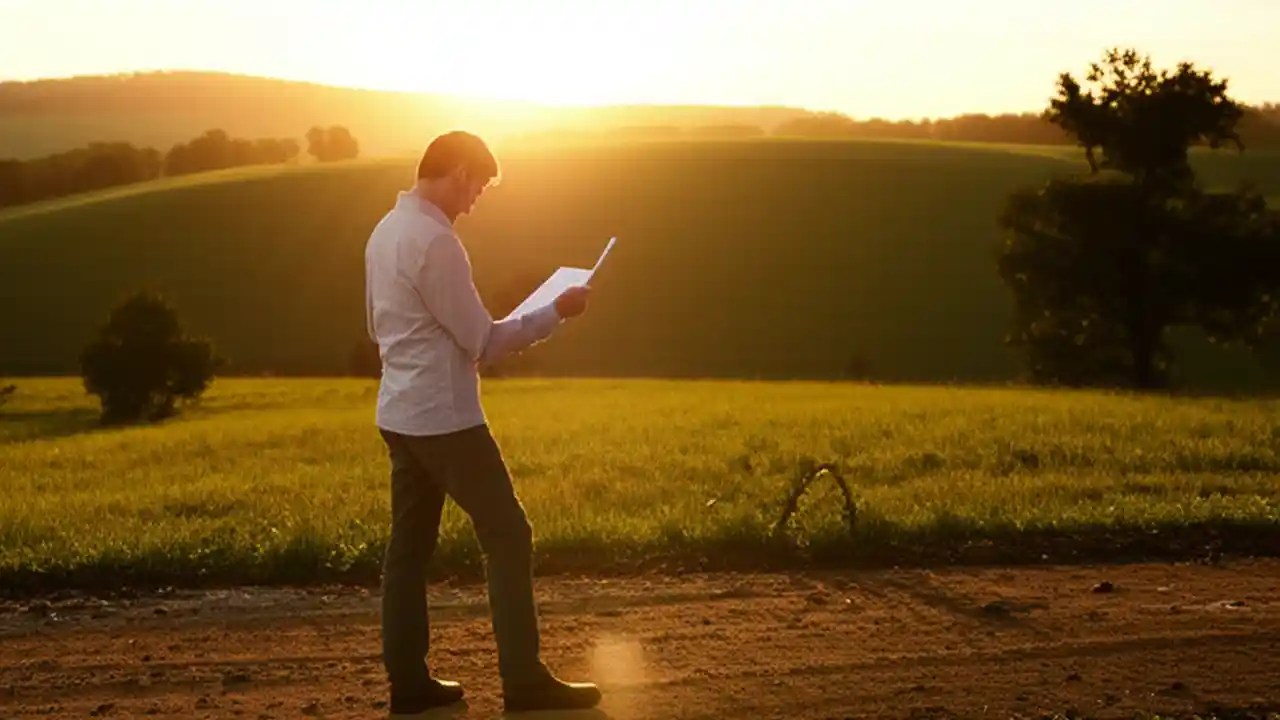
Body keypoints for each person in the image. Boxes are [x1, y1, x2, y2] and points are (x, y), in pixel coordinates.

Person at [364, 131, 600, 715]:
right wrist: (554, 313)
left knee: (408, 552)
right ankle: (523, 681)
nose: (475, 201)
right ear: (460, 170)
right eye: (479, 186)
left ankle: (409, 685)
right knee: (509, 535)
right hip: (445, 417)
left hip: (398, 410)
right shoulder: (436, 243)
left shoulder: (384, 232)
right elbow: (485, 342)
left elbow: (379, 329)